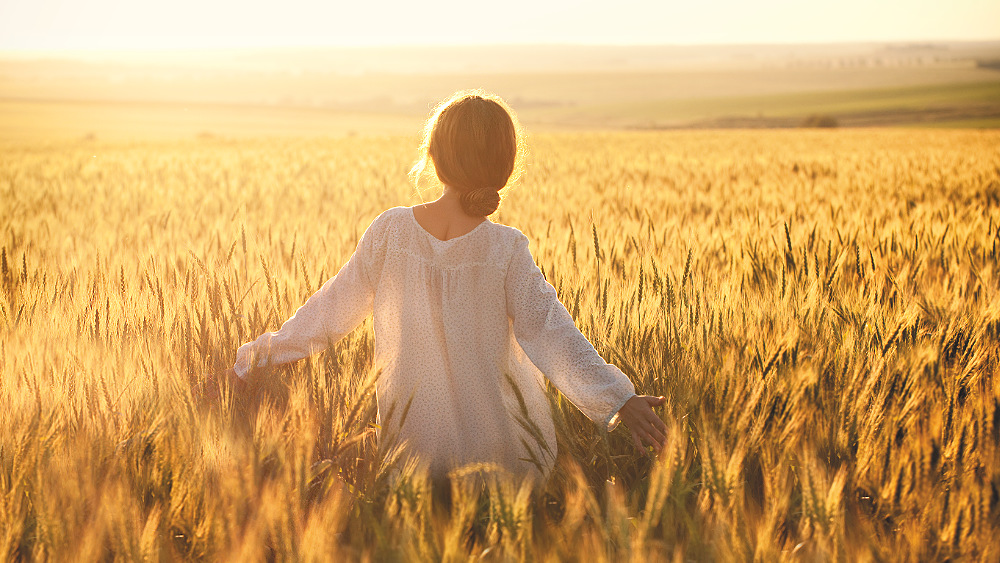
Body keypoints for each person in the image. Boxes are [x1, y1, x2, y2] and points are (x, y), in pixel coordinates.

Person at [214, 90, 666, 484]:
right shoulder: (505, 249)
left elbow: (330, 311)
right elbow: (553, 333)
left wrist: (259, 355)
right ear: (505, 167)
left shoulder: (391, 233)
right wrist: (617, 399)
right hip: (502, 455)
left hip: (412, 452)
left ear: (434, 155)